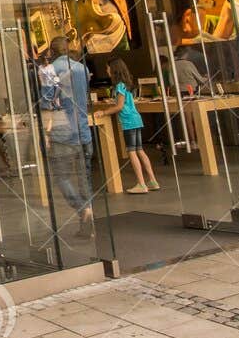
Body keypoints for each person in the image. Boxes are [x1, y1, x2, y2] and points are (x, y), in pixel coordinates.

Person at [46, 35, 94, 230]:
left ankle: (83, 210)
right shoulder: (82, 68)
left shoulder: (50, 70)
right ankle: (87, 223)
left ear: (51, 51)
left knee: (62, 177)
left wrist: (45, 132)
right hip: (83, 130)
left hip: (62, 133)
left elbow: (46, 103)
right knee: (84, 179)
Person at [104, 59, 157, 194]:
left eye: (108, 68)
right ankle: (152, 181)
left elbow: (119, 106)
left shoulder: (119, 86)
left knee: (131, 152)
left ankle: (141, 183)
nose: (107, 71)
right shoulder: (126, 84)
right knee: (140, 150)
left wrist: (103, 112)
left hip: (128, 121)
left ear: (113, 70)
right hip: (136, 119)